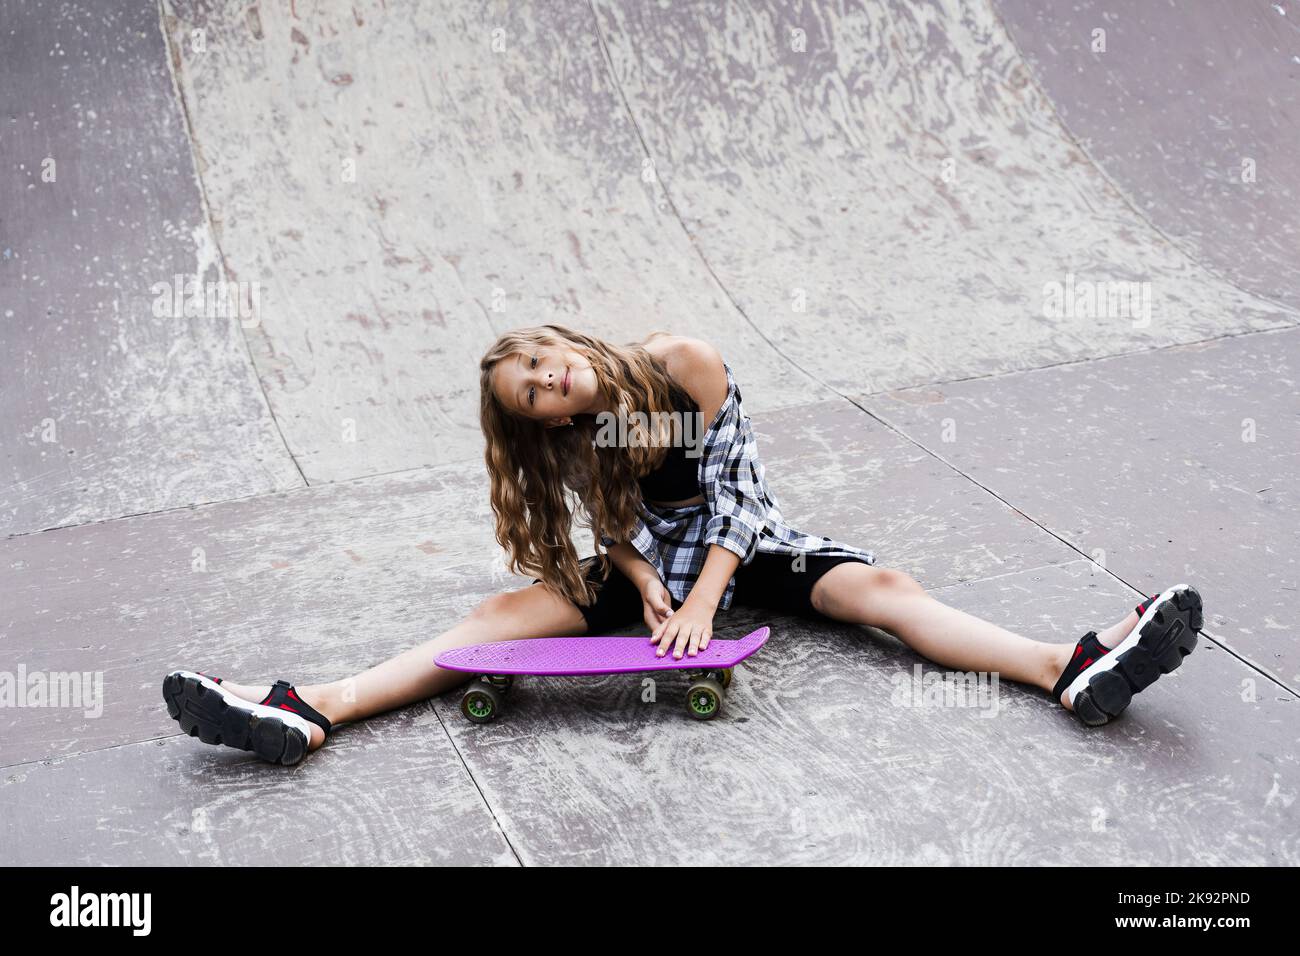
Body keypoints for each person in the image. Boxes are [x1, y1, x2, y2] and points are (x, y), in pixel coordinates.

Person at [163, 324, 1202, 765]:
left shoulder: (680, 365)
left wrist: (706, 595)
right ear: (538, 418)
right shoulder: (572, 439)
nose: (546, 381)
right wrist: (639, 584)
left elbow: (743, 498)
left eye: (540, 360)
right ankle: (310, 708)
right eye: (528, 393)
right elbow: (614, 524)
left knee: (879, 588)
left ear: (563, 339)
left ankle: (1065, 666)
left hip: (745, 546)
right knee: (492, 620)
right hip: (657, 567)